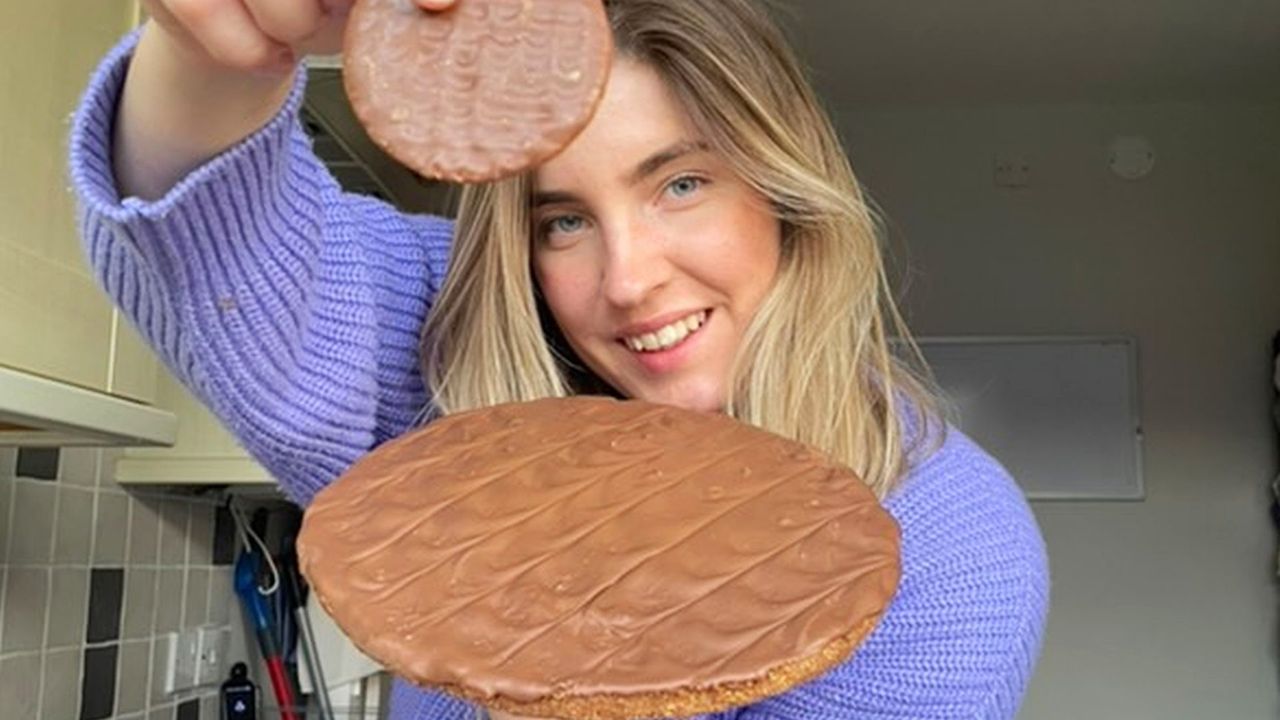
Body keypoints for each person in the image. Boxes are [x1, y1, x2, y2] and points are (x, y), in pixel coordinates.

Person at [69, 0, 1050, 717]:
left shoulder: (943, 540)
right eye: (564, 219)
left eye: (679, 185)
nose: (627, 279)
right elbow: (216, 242)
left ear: (782, 195)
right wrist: (217, 49)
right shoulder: (462, 404)